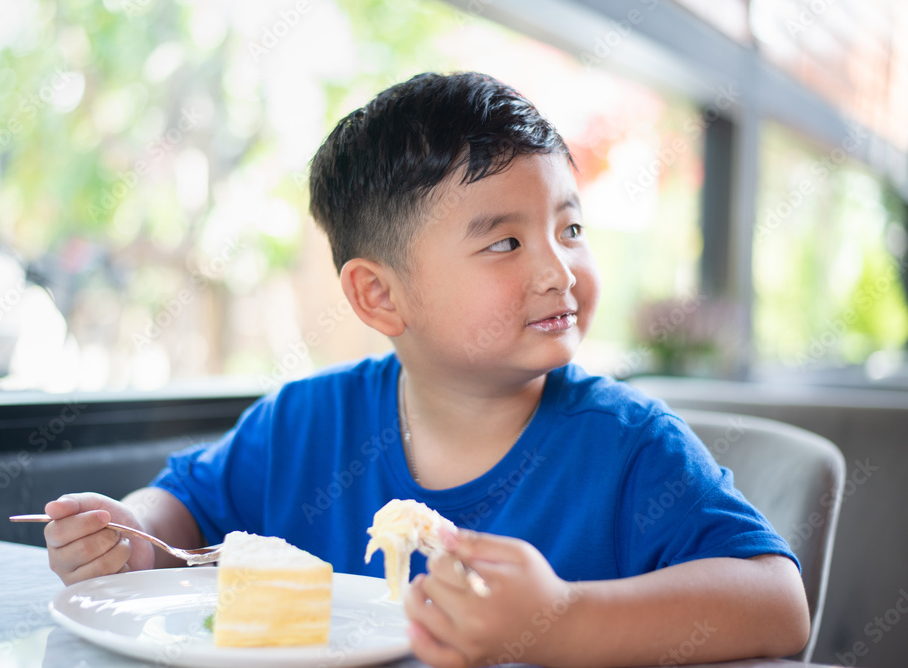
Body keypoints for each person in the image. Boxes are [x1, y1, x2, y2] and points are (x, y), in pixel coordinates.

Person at [44, 72, 810, 667]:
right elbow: (182, 506)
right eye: (506, 243)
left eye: (570, 227)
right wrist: (132, 534)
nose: (559, 270)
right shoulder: (302, 425)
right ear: (379, 295)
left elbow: (777, 604)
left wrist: (559, 619)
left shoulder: (628, 445)